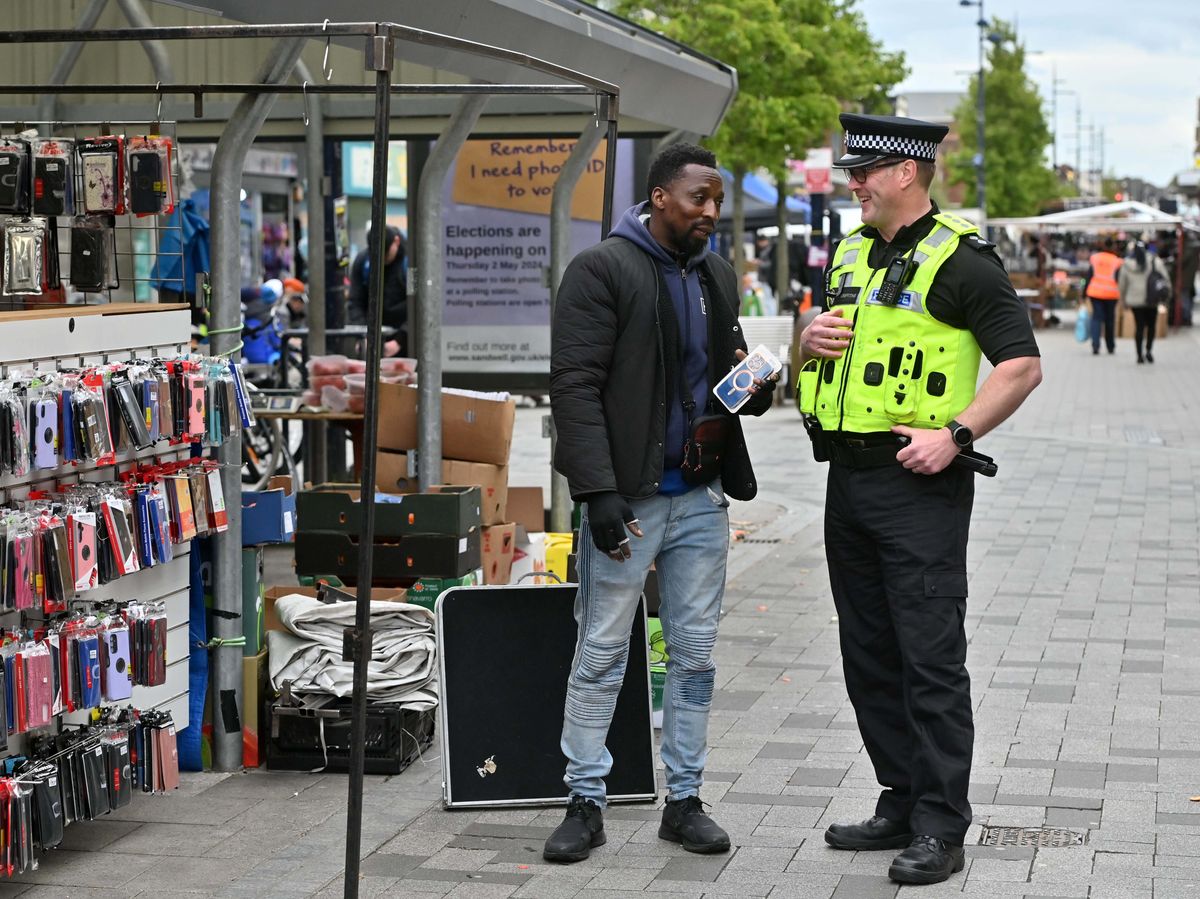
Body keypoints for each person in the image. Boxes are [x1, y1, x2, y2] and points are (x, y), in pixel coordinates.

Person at [797, 113, 1042, 886]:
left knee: (930, 659)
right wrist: (806, 341)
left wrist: (956, 435)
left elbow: (1021, 365)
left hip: (918, 486)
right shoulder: (850, 252)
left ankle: (940, 824)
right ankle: (901, 798)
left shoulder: (963, 261)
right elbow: (830, 350)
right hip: (847, 480)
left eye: (864, 171)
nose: (853, 184)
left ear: (906, 171)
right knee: (868, 653)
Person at [546, 143, 776, 864]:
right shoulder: (601, 269)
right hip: (629, 502)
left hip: (701, 498)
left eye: (718, 200)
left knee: (695, 657)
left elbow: (723, 379)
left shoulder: (715, 273)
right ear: (659, 197)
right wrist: (597, 491)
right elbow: (574, 385)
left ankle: (685, 801)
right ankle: (585, 800)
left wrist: (756, 386)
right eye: (699, 197)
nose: (711, 211)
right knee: (601, 650)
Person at [347, 224, 408, 355]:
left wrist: (400, 340)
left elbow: (418, 305)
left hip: (405, 340)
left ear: (396, 241)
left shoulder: (411, 263)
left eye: (386, 254)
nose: (382, 260)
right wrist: (362, 335)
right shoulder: (363, 261)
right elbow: (356, 301)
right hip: (372, 338)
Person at [1118, 241, 1169, 363]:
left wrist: (1122, 300)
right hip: (1152, 299)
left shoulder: (1127, 264)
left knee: (1139, 327)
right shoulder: (1155, 262)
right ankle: (1149, 351)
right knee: (1151, 326)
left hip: (1135, 301)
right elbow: (1165, 280)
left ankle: (1139, 355)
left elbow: (1122, 284)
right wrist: (1166, 297)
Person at [1084, 237, 1122, 355]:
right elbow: (1119, 279)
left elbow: (1089, 276)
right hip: (1111, 294)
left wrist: (1084, 293)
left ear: (1103, 246)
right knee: (1110, 321)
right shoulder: (1117, 261)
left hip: (1095, 293)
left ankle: (1095, 346)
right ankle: (1110, 346)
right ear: (1113, 247)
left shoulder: (1095, 258)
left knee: (1096, 319)